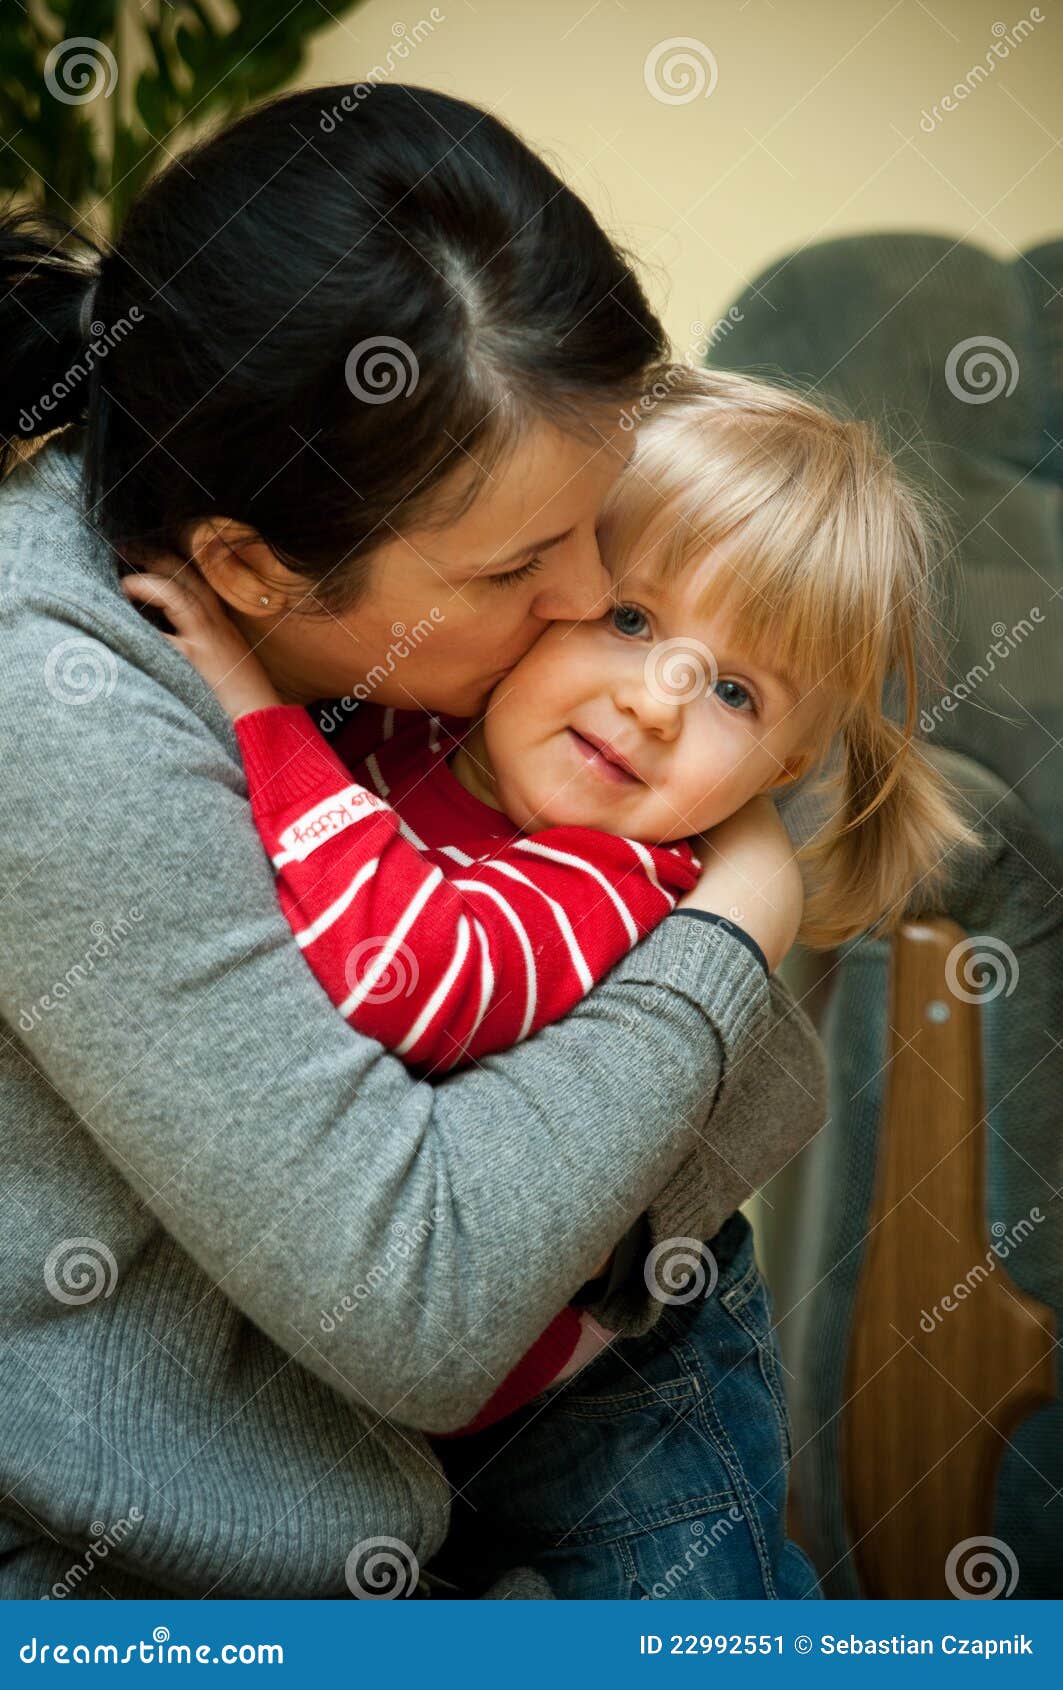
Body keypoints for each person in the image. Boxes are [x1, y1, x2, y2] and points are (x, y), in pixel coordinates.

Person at [0, 85, 823, 1599]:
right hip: (131, 1579)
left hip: (391, 1488)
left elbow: (744, 1108)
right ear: (246, 568)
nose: (589, 605)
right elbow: (430, 1296)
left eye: (600, 526)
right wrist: (736, 913)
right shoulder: (48, 699)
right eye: (522, 563)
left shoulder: (347, 616)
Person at [120, 364, 980, 1597]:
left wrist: (254, 711)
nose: (658, 698)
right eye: (630, 619)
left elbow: (404, 977)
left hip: (623, 1374)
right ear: (545, 587)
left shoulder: (622, 877)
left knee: (708, 1626)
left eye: (736, 691)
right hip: (407, 1362)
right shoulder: (399, 725)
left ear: (782, 761)